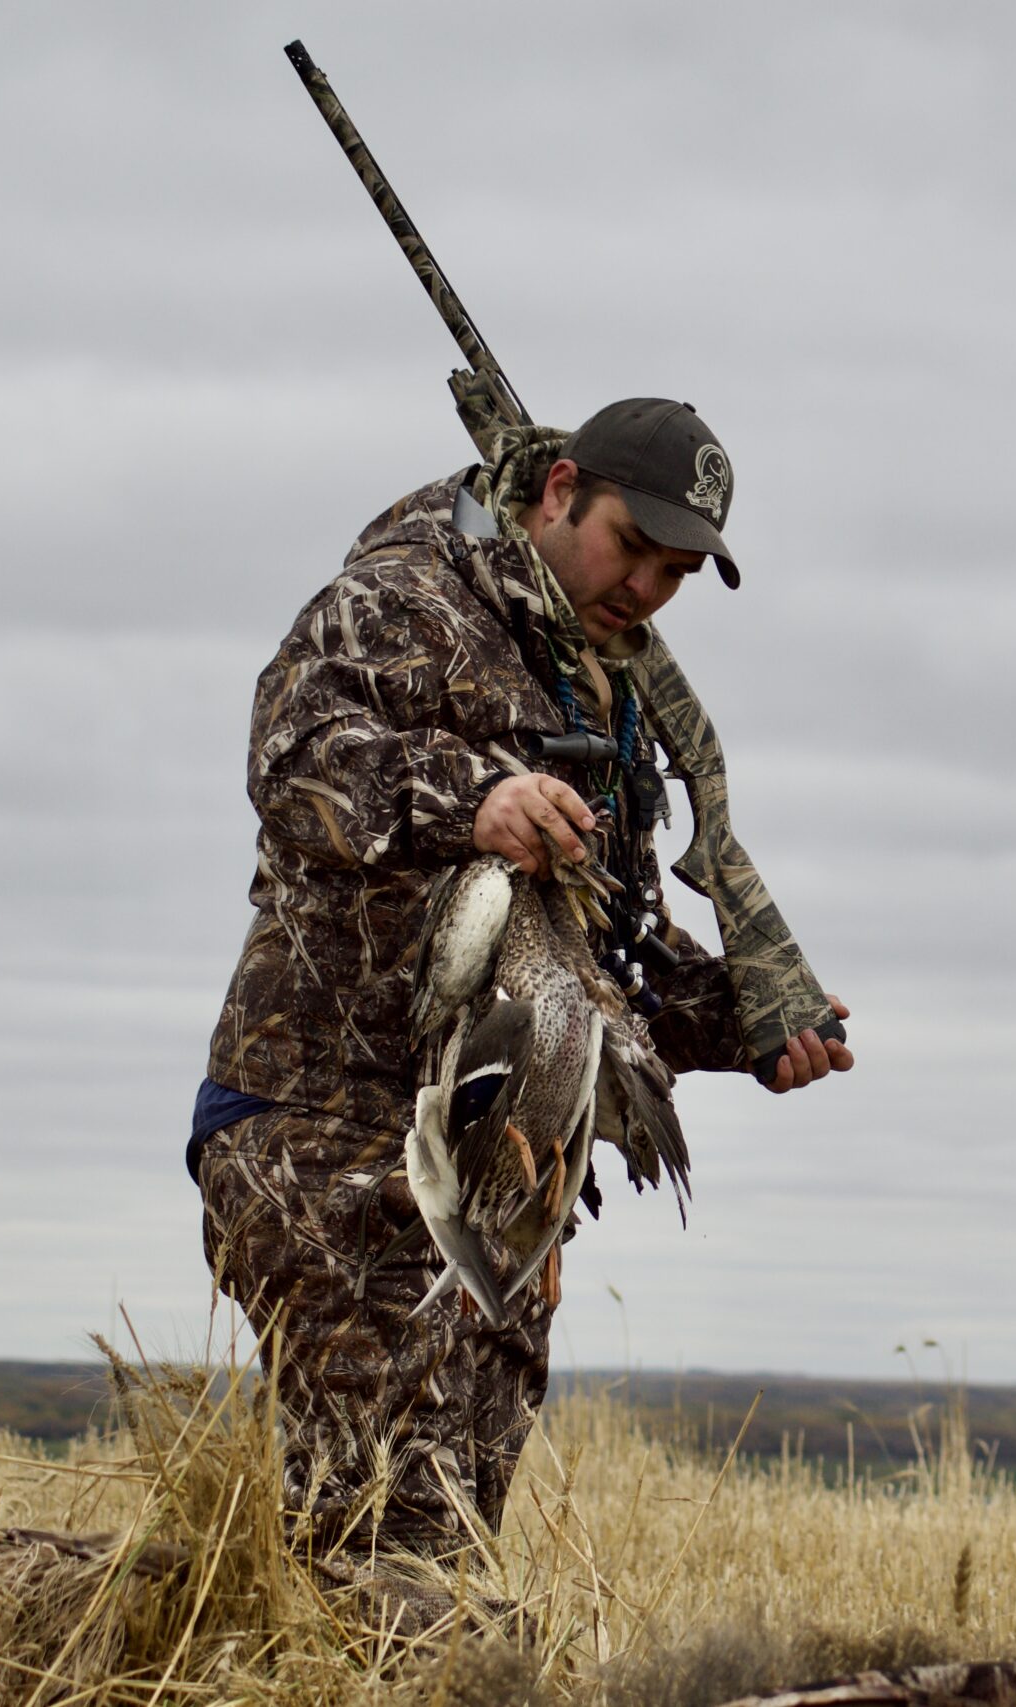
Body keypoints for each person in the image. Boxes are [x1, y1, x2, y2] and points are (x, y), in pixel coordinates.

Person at [189, 399, 852, 1561]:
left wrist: (751, 1021)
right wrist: (473, 801)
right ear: (555, 492)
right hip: (326, 1136)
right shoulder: (403, 597)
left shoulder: (600, 687)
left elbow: (611, 950)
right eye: (630, 547)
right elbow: (289, 760)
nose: (646, 588)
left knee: (440, 1531)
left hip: (501, 1184)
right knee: (386, 1544)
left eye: (676, 571)